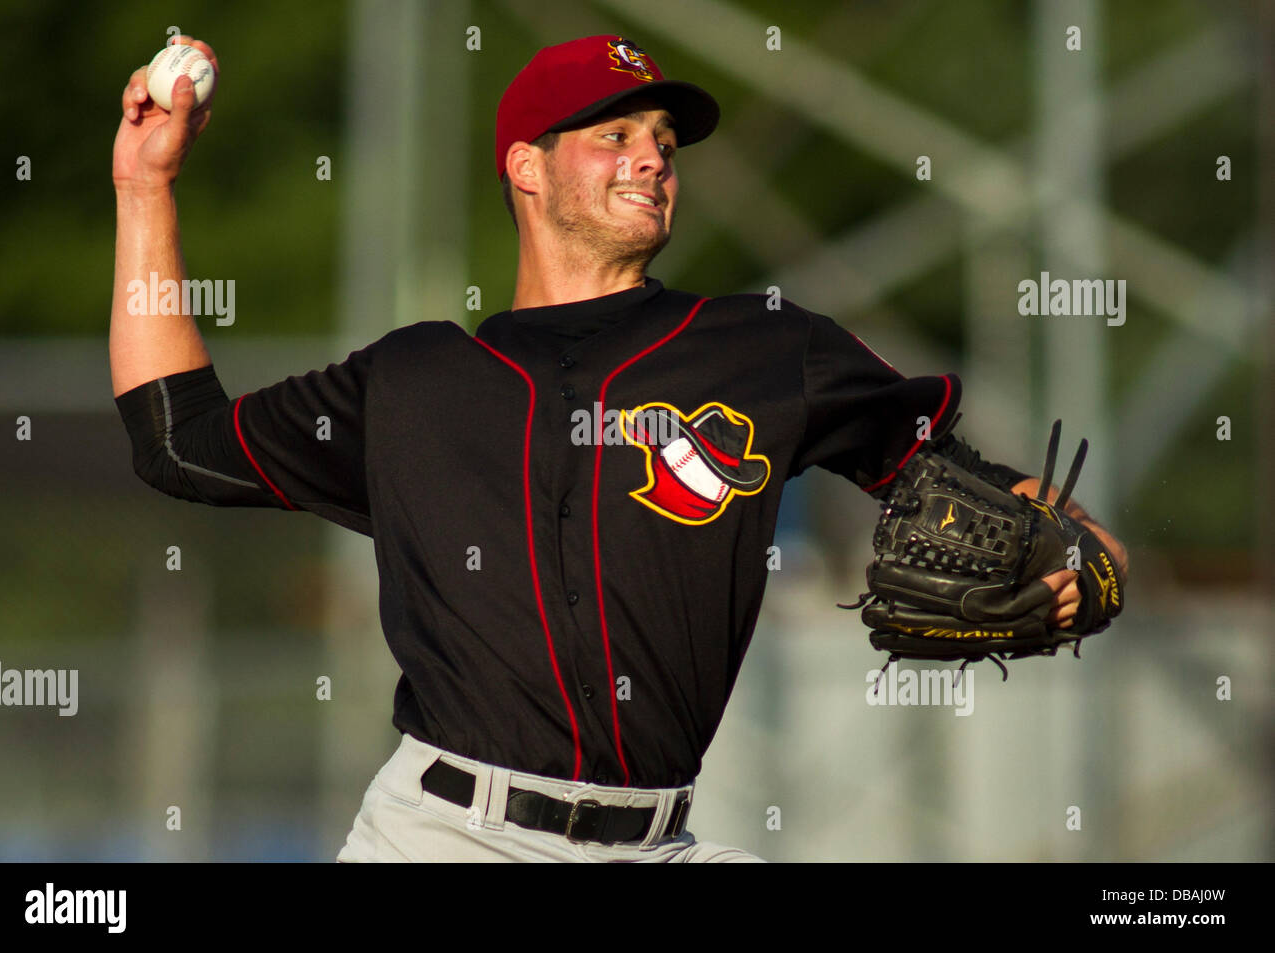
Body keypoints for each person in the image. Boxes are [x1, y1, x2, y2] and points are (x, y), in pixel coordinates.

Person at [111, 34, 1128, 862]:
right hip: (444, 836)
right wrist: (144, 190)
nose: (651, 156)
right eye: (614, 134)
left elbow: (960, 478)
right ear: (525, 166)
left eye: (663, 142)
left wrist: (1088, 555)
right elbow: (181, 442)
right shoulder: (412, 381)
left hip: (660, 838)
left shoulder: (767, 346)